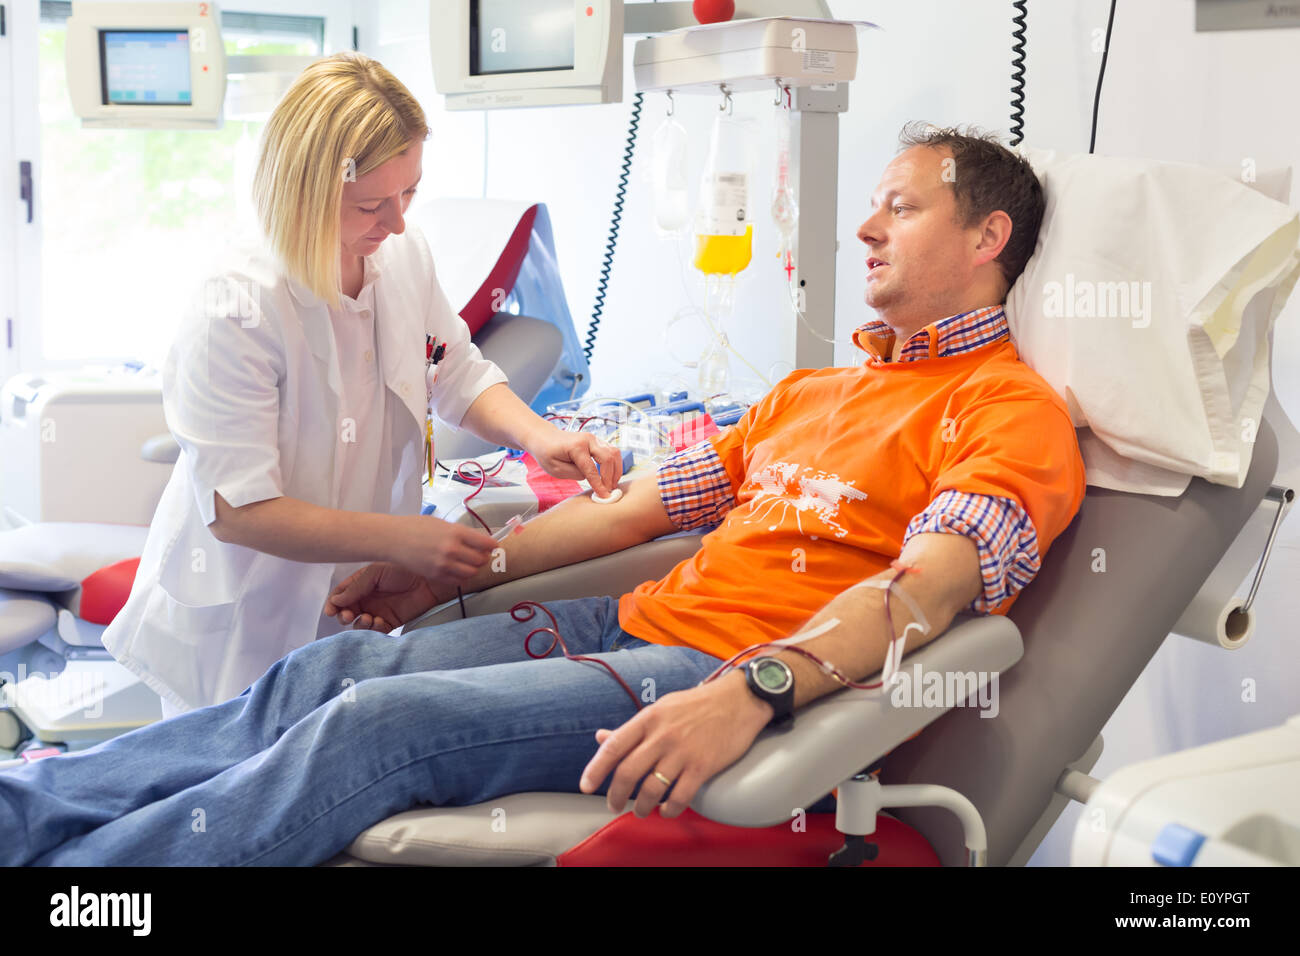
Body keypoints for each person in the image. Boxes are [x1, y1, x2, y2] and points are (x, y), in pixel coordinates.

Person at [1, 124, 1086, 866]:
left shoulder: (1005, 411)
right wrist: (445, 574)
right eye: (870, 206)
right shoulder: (813, 390)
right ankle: (21, 813)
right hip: (624, 623)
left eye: (900, 207)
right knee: (329, 670)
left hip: (707, 672)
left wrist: (753, 688)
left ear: (987, 238)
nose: (865, 228)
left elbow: (923, 594)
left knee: (377, 723)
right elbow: (633, 511)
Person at [102, 53, 621, 717]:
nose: (399, 221)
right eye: (373, 203)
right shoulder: (235, 306)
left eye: (409, 193)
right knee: (232, 785)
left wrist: (542, 436)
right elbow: (239, 509)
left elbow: (451, 368)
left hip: (345, 601)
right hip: (239, 616)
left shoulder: (399, 252)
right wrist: (400, 538)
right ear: (302, 193)